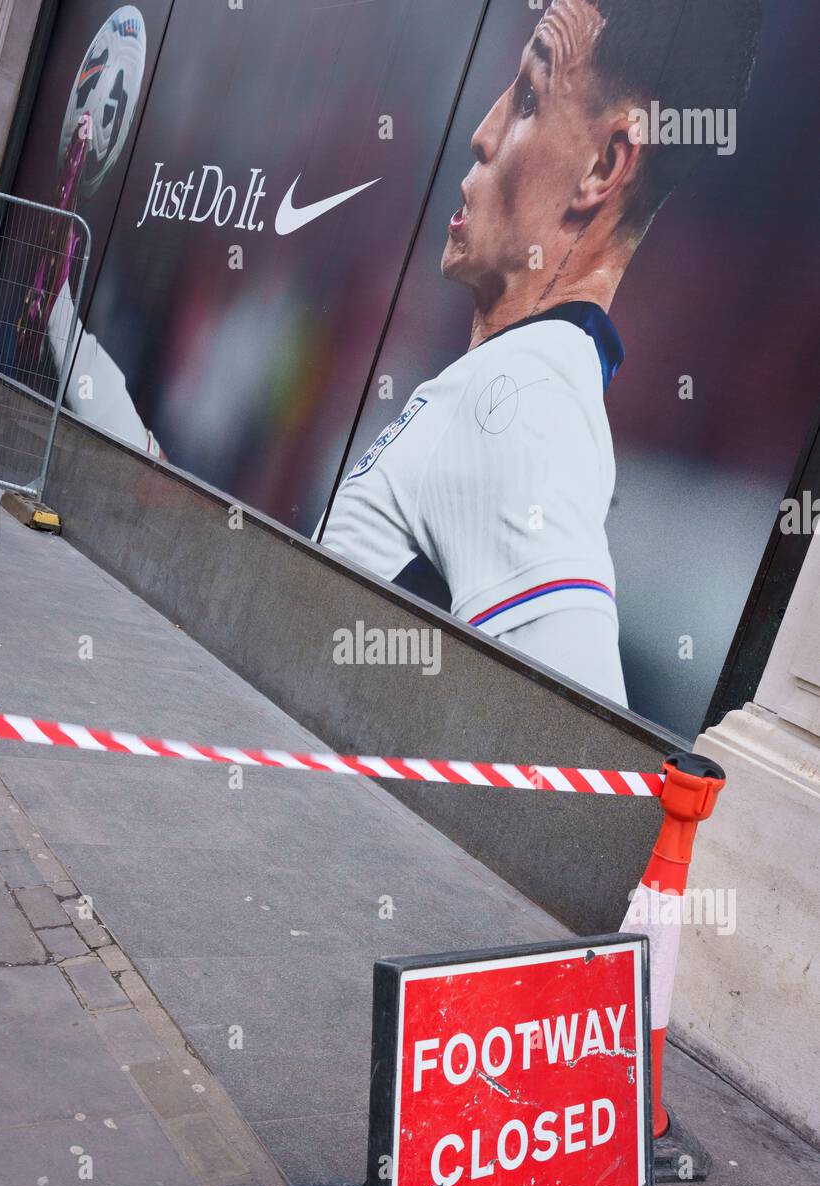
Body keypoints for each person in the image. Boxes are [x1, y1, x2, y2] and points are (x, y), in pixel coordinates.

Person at [320, 0, 762, 706]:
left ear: (602, 167)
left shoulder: (521, 405)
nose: (482, 133)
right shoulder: (527, 381)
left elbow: (579, 759)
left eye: (528, 97)